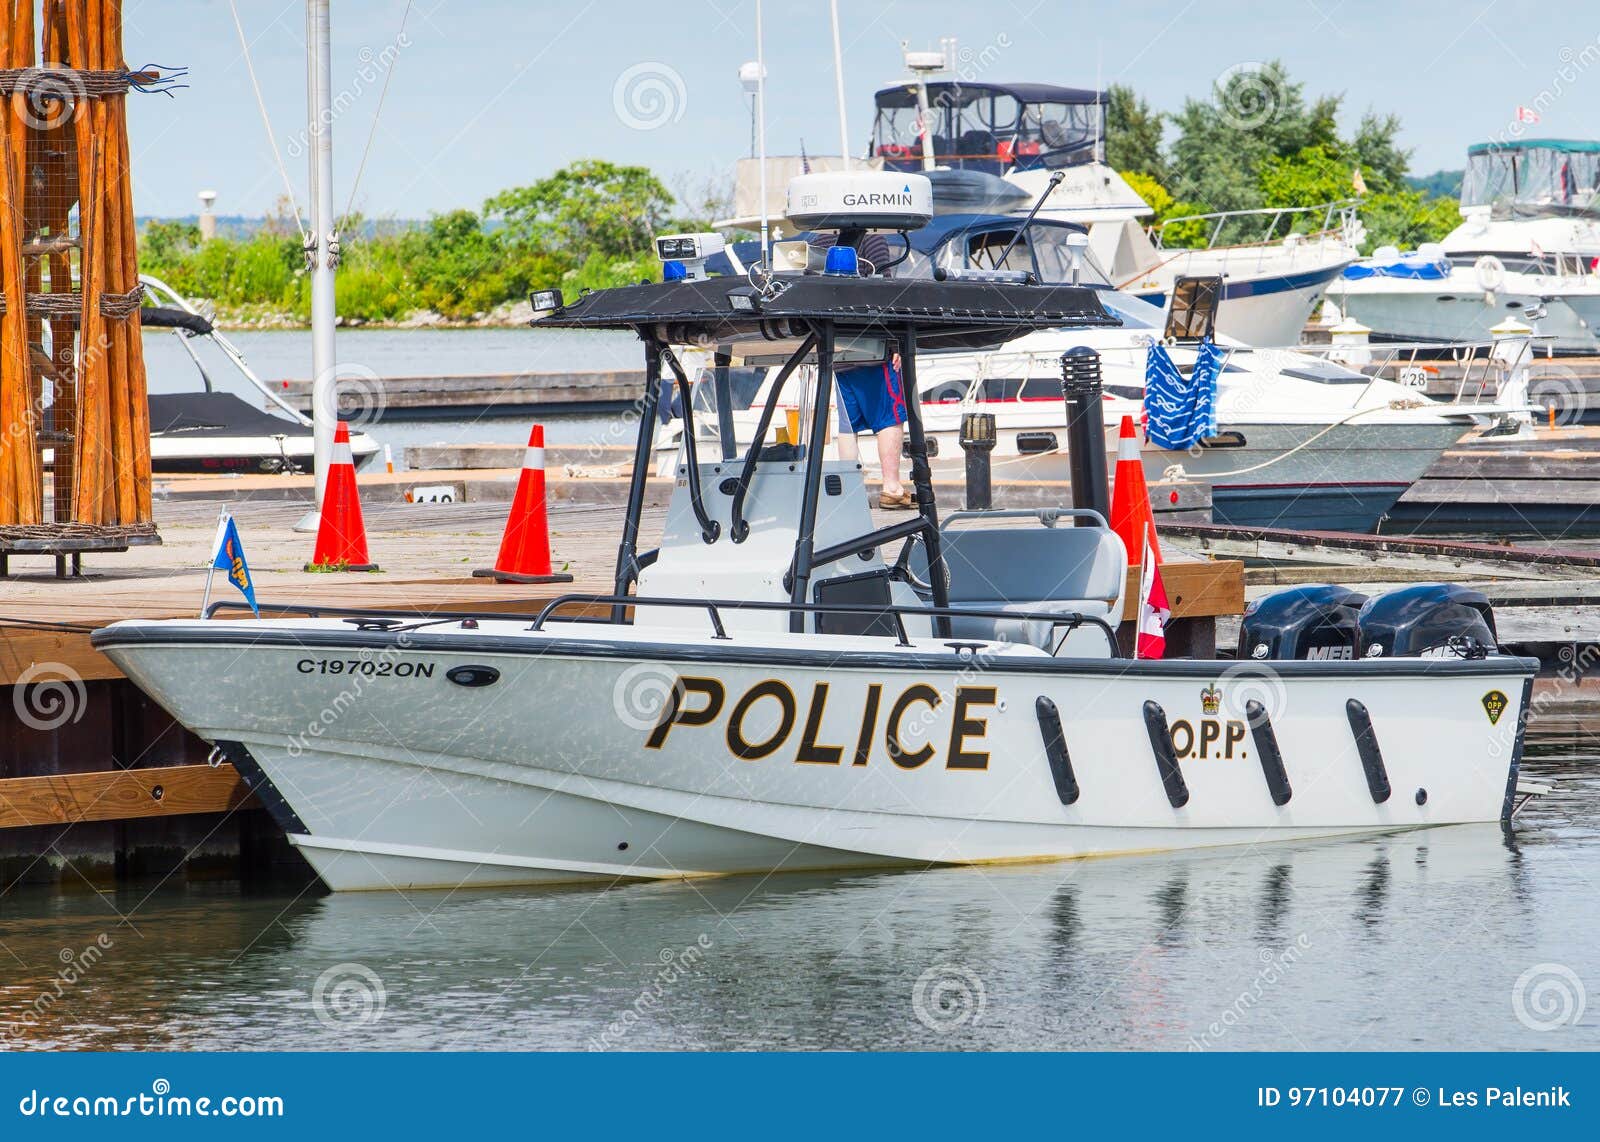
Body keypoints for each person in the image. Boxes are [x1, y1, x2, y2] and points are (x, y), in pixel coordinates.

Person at [833, 351, 910, 509]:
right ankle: (892, 488)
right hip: (874, 352)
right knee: (889, 418)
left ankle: (851, 492)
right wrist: (898, 346)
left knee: (848, 424)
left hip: (838, 356)